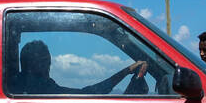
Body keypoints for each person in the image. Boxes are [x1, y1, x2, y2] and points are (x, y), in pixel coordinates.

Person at [14, 39, 148, 96]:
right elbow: (90, 93)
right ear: (34, 64)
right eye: (45, 62)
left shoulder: (17, 85)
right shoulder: (41, 88)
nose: (48, 66)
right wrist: (126, 71)